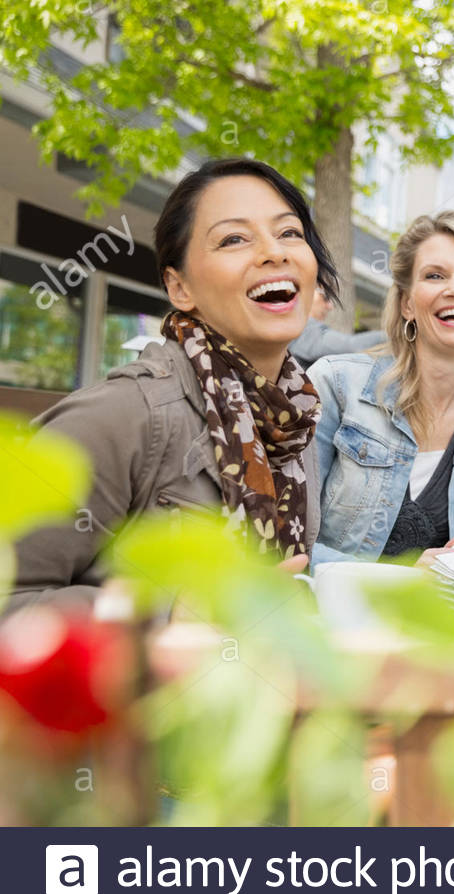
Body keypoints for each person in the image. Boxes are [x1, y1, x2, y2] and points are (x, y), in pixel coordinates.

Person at [11, 158, 335, 607]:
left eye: (289, 233)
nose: (274, 252)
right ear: (179, 287)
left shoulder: (291, 418)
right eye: (234, 239)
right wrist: (160, 620)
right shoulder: (121, 415)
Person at [309, 211, 454, 566]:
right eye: (435, 275)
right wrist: (401, 577)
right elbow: (287, 544)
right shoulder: (336, 385)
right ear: (407, 303)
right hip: (332, 617)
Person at [288, 290, 385, 365]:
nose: (330, 306)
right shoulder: (306, 329)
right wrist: (394, 335)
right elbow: (352, 345)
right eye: (325, 297)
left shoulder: (293, 328)